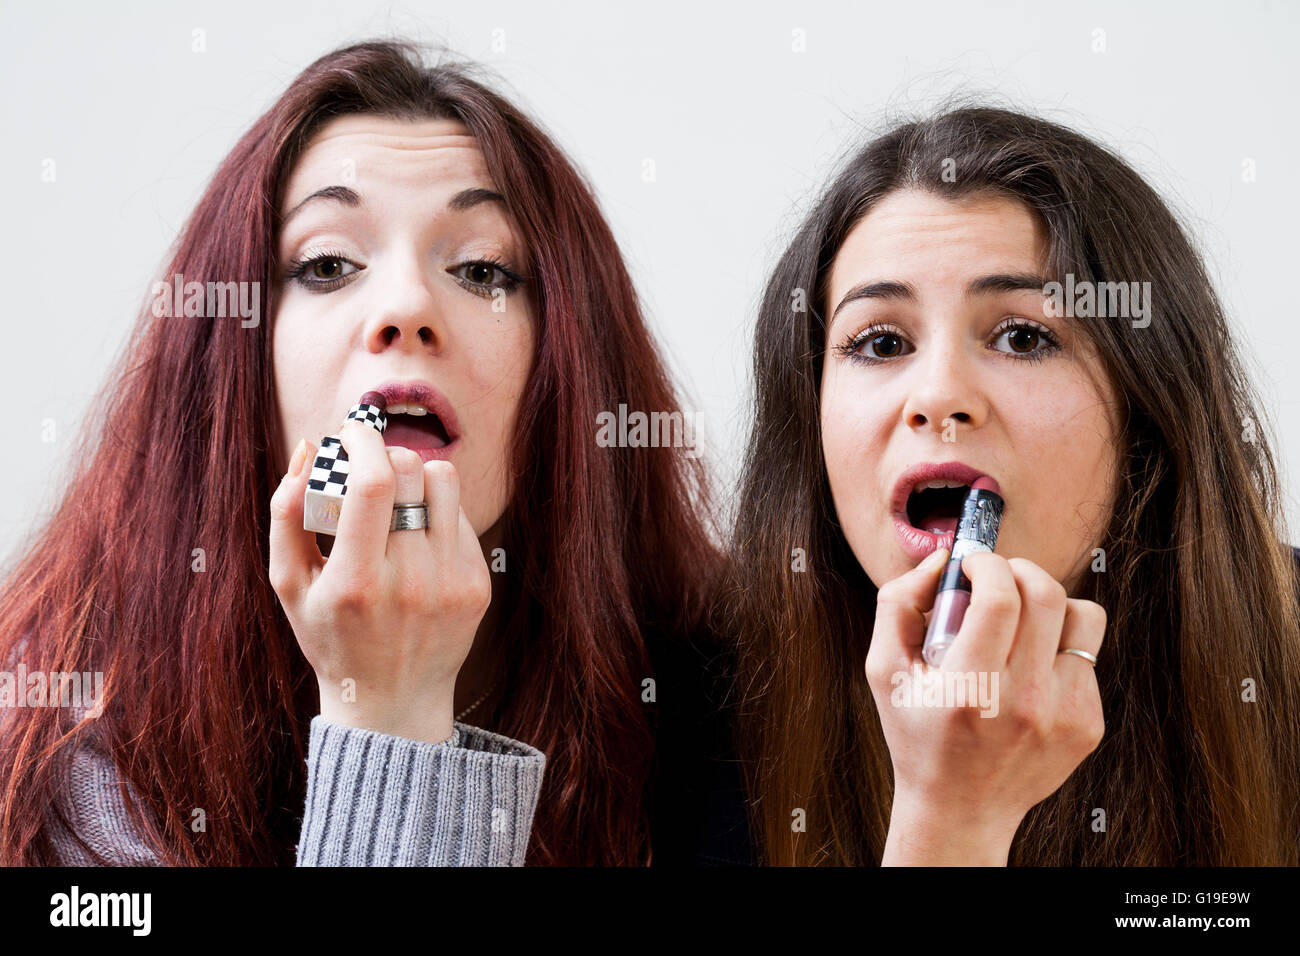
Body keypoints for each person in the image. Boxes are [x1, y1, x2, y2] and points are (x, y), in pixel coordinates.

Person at [0, 40, 735, 866]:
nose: (406, 307)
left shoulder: (729, 709)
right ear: (229, 362)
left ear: (570, 365)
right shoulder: (71, 733)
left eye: (484, 270)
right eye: (327, 264)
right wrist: (387, 710)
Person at [724, 106, 1300, 865]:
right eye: (882, 342)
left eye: (1024, 336)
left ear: (1148, 408)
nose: (938, 396)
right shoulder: (708, 716)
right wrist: (947, 820)